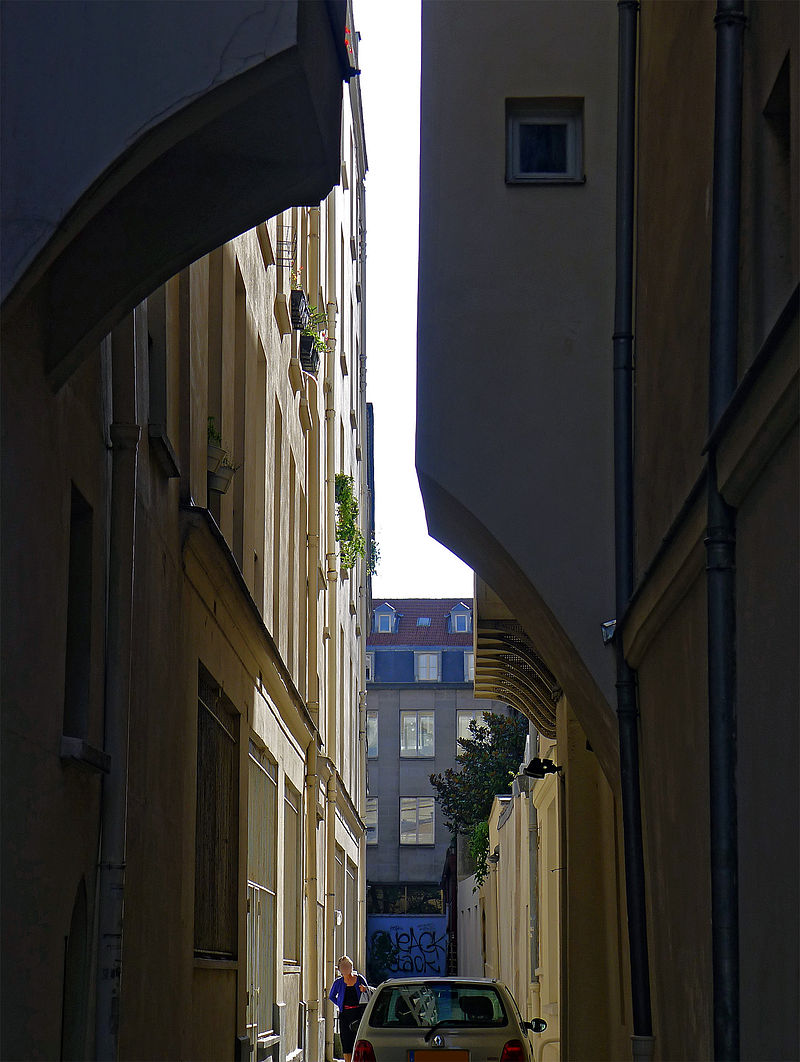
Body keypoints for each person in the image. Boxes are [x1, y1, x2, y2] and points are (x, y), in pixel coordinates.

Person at [329, 954, 370, 1062]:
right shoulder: (338, 982)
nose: (346, 969)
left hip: (358, 1013)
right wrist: (340, 1004)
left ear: (351, 967)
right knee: (346, 1041)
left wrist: (364, 989)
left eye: (348, 966)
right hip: (345, 1015)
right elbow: (331, 996)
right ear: (340, 970)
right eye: (344, 967)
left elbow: (369, 992)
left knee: (358, 1040)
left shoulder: (359, 979)